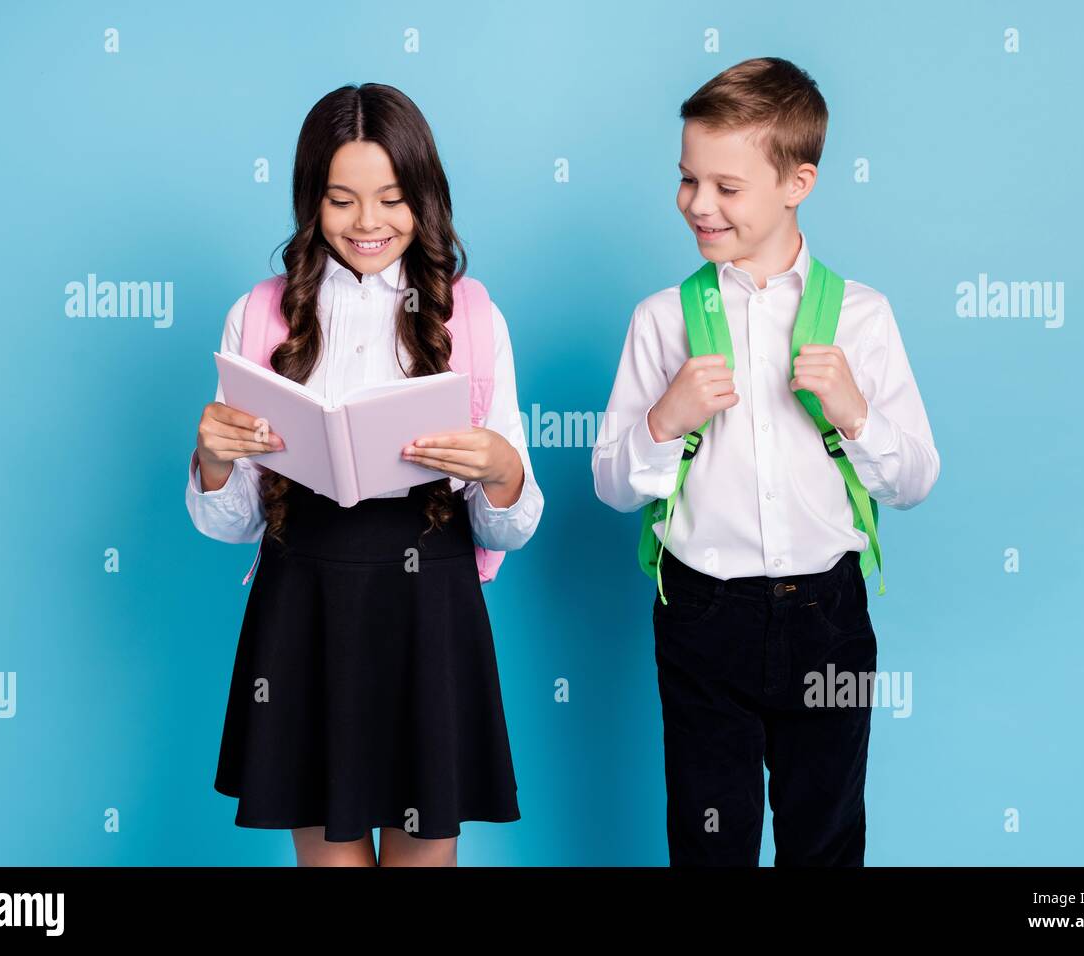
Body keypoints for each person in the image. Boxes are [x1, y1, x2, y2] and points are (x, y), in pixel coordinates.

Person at [591, 57, 940, 866]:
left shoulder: (862, 316)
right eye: (687, 180)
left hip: (830, 617)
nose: (698, 204)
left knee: (826, 835)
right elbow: (611, 485)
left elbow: (916, 478)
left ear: (798, 182)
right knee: (710, 841)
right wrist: (665, 420)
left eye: (726, 186)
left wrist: (854, 411)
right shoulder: (661, 321)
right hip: (702, 620)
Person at [186, 83, 543, 867]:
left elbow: (508, 526)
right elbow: (231, 522)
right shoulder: (259, 314)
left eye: (391, 197)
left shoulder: (473, 316)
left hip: (429, 599)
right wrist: (214, 461)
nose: (368, 222)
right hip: (304, 596)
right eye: (341, 200)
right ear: (311, 201)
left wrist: (502, 470)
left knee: (425, 857)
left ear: (425, 196)